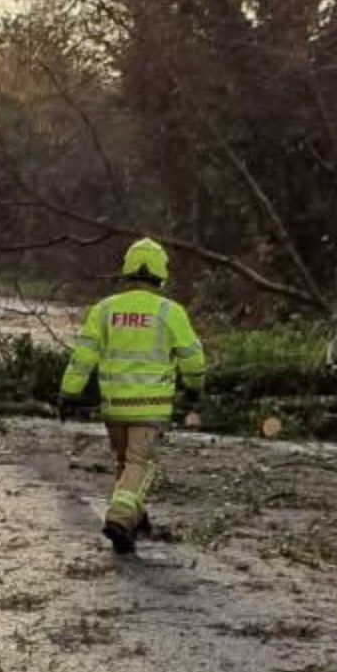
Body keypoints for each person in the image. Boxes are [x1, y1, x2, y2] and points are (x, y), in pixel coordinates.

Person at [57, 238, 207, 555]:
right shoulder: (170, 312)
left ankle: (136, 519)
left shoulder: (105, 309)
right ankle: (120, 518)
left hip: (114, 408)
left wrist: (68, 393)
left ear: (126, 270)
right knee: (141, 463)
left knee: (125, 464)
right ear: (160, 273)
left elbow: (83, 358)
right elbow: (193, 359)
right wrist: (194, 388)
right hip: (151, 407)